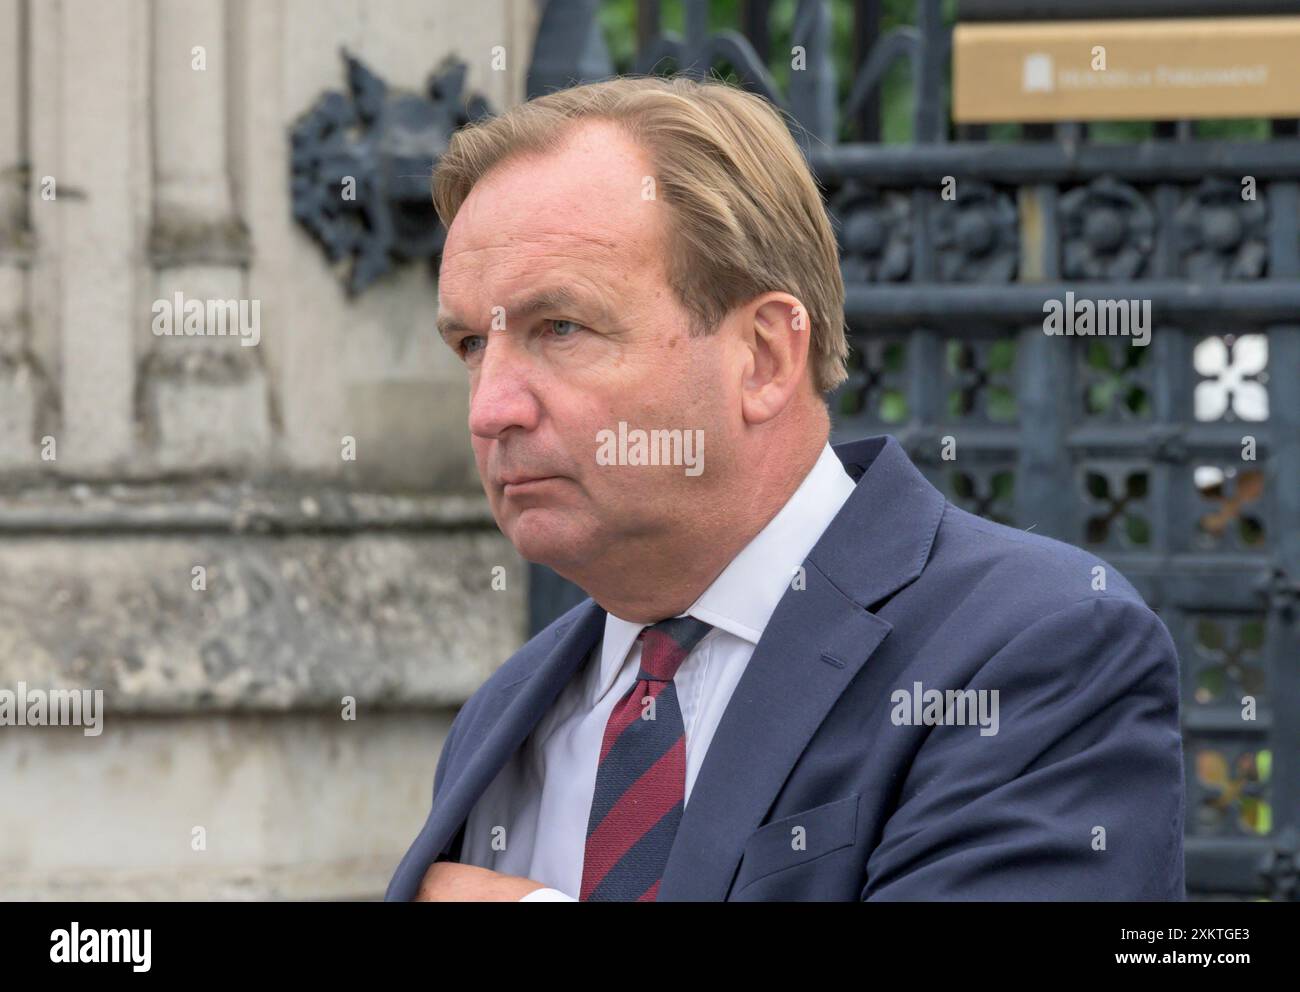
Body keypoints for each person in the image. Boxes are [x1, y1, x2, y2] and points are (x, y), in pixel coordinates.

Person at [386, 75, 1185, 902]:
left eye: (561, 328)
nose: (491, 409)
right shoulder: (511, 707)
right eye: (473, 343)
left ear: (764, 357)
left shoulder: (1037, 649)